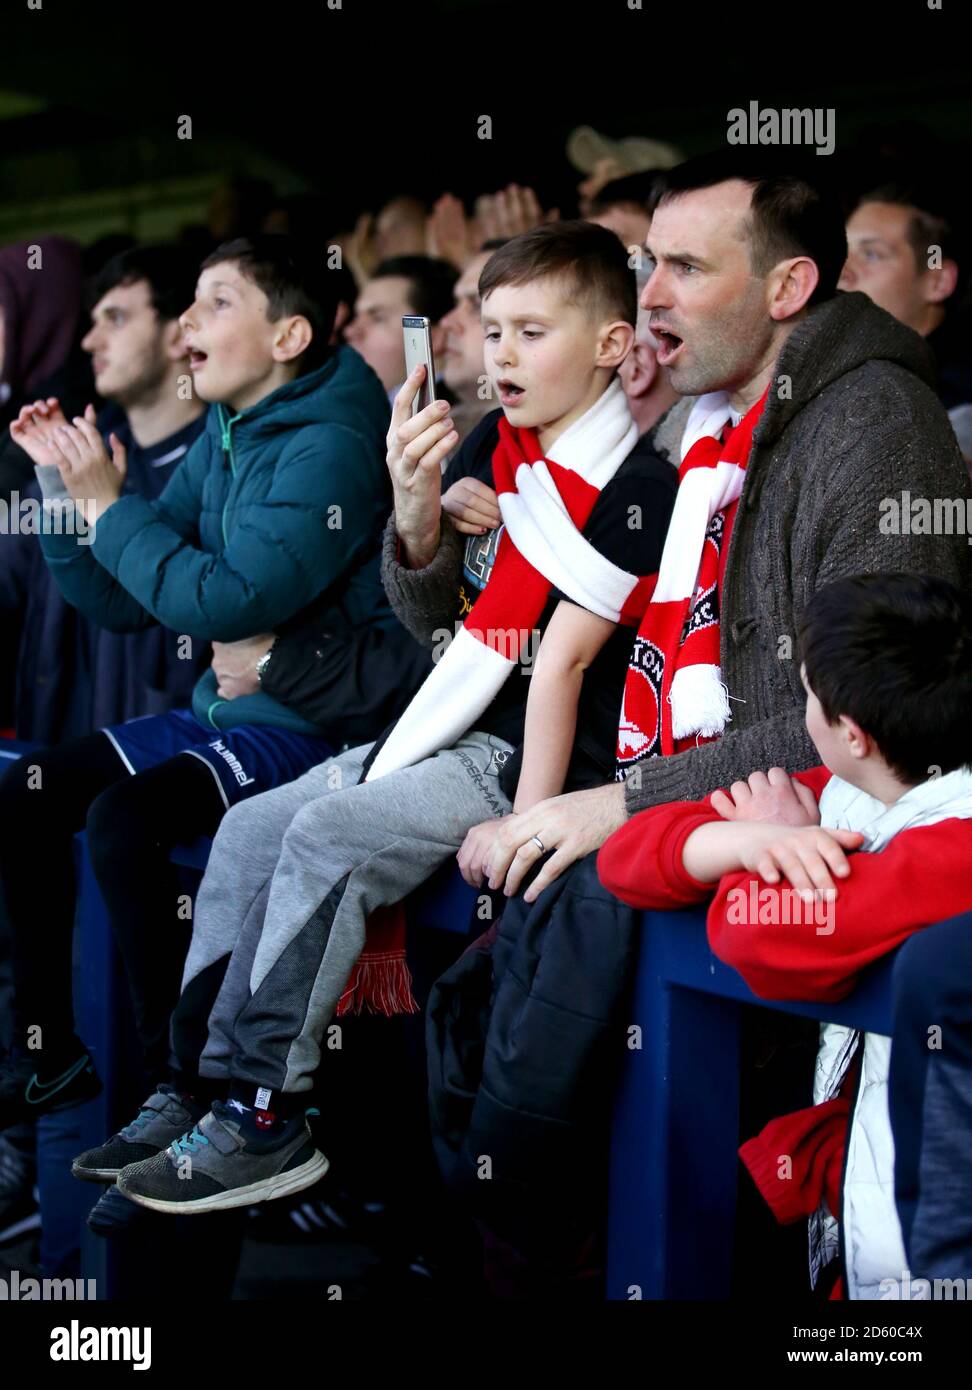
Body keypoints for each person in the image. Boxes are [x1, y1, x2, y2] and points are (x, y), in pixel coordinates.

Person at [421, 150, 972, 1295]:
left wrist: (616, 802)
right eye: (643, 266)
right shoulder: (700, 416)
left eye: (680, 267)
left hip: (814, 833)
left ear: (786, 289)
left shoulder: (874, 424)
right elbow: (492, 612)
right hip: (699, 807)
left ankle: (518, 1243)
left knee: (575, 909)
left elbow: (859, 719)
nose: (650, 296)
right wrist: (421, 526)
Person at [81, 220, 677, 1213]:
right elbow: (427, 619)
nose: (501, 355)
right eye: (492, 332)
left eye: (532, 332)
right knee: (248, 829)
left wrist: (530, 825)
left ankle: (266, 1110)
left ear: (614, 346)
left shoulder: (641, 482)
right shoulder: (493, 441)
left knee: (326, 830)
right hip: (438, 726)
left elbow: (562, 671)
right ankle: (195, 1083)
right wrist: (417, 508)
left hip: (542, 764)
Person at [0, 234, 395, 1118]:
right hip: (225, 713)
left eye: (217, 303)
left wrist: (111, 506)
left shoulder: (329, 443)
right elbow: (122, 600)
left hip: (309, 732)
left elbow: (222, 600)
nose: (189, 321)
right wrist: (68, 496)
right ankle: (47, 1054)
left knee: (121, 822)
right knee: (28, 792)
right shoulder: (230, 427)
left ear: (288, 336)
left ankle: (177, 1090)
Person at [599, 572, 972, 1300]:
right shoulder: (857, 787)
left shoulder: (953, 844)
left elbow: (752, 934)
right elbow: (625, 857)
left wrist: (776, 843)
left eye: (807, 697)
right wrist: (749, 845)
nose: (802, 713)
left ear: (852, 734)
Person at [0, 245, 208, 744]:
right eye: (91, 322)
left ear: (180, 333)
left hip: (165, 771)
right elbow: (8, 577)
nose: (91, 341)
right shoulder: (73, 456)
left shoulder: (221, 466)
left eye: (115, 318)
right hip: (53, 757)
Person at [838, 175, 972, 451]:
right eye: (843, 252)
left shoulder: (957, 404)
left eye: (872, 254)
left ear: (938, 282)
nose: (843, 272)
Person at [343, 255, 457, 400]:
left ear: (431, 338)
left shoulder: (451, 417)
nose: (350, 331)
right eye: (356, 317)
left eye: (378, 318)